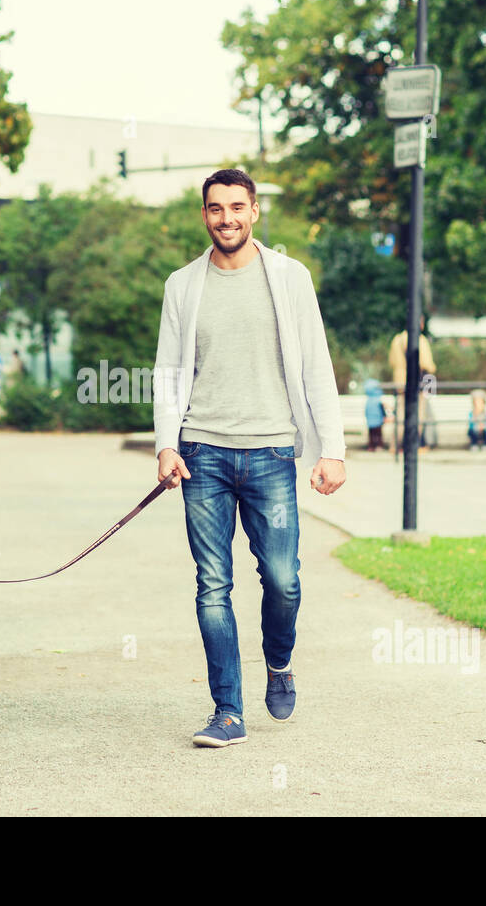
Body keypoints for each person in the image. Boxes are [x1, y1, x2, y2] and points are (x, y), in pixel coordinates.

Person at [153, 168, 345, 748]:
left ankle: (279, 662)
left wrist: (332, 451)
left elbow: (317, 366)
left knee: (283, 581)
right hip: (202, 454)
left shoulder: (289, 278)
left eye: (237, 207)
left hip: (270, 453)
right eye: (216, 208)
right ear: (204, 215)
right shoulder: (183, 285)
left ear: (255, 211)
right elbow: (168, 374)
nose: (226, 218)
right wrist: (166, 444)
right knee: (213, 585)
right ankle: (227, 712)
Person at [388, 316, 436, 451]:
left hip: (400, 381)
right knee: (418, 415)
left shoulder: (397, 339)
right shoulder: (419, 339)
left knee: (401, 415)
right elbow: (426, 363)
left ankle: (396, 446)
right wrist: (431, 371)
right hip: (415, 382)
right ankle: (413, 445)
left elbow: (392, 361)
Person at [364, 378, 387, 451]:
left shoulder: (368, 401)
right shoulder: (378, 400)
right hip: (378, 421)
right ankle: (378, 445)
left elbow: (366, 411)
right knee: (378, 434)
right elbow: (382, 409)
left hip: (371, 421)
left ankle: (372, 446)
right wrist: (384, 416)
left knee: (372, 434)